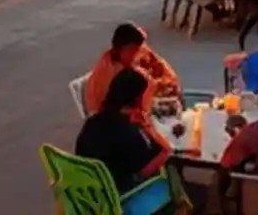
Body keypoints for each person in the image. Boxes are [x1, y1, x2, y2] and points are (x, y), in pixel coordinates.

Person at [75, 68, 172, 198]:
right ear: (139, 99)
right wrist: (151, 132)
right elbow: (145, 171)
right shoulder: (130, 135)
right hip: (121, 197)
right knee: (171, 176)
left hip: (89, 194)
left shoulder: (92, 122)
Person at [85, 23, 182, 114]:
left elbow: (163, 70)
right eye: (133, 50)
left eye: (138, 49)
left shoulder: (132, 54)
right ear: (119, 49)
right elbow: (110, 110)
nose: (137, 53)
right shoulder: (111, 75)